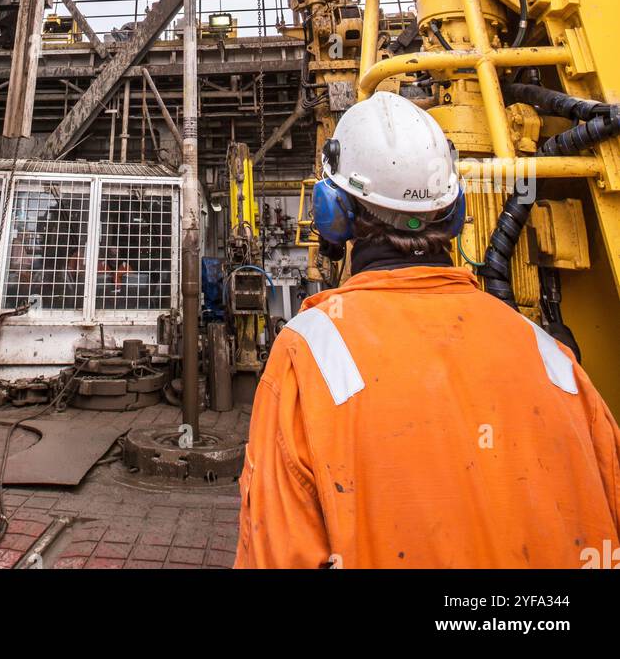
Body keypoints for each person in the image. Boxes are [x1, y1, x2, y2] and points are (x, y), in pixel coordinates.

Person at [235, 90, 620, 569]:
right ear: (456, 213)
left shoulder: (307, 356)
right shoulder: (554, 360)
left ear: (331, 213)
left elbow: (277, 552)